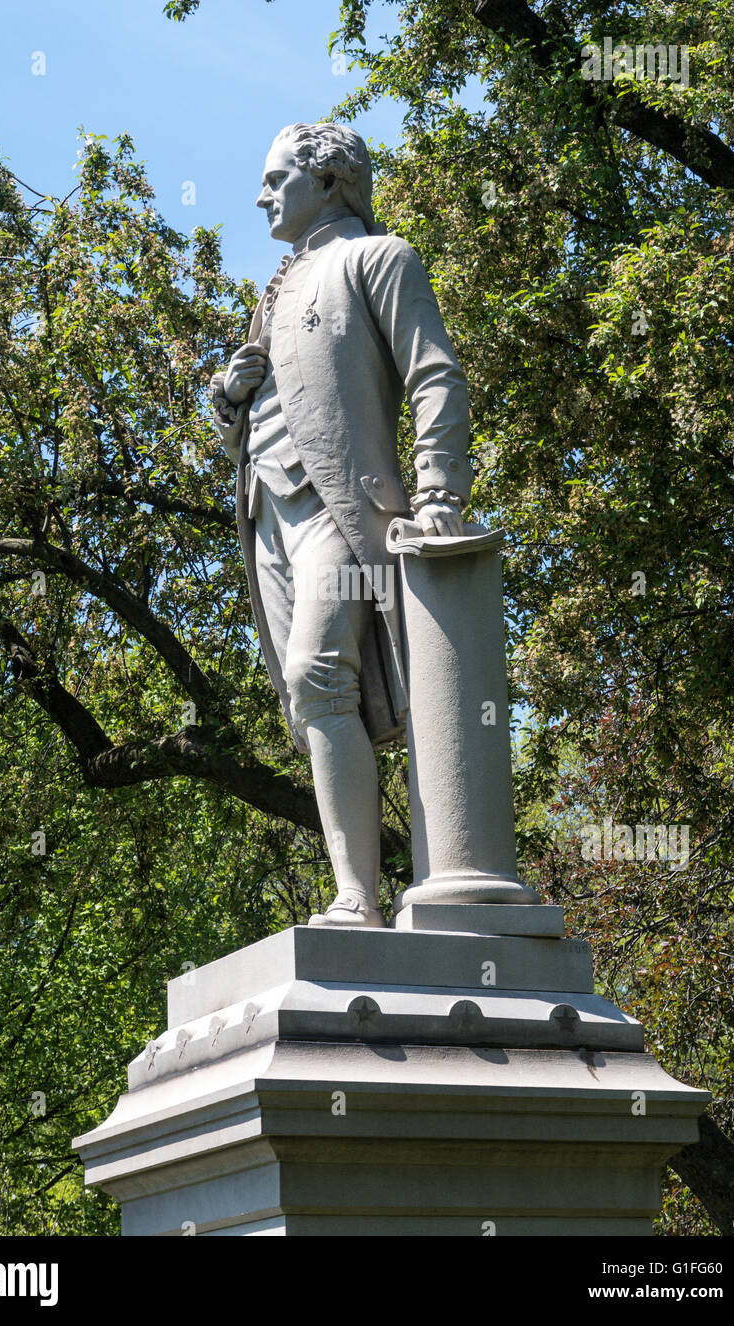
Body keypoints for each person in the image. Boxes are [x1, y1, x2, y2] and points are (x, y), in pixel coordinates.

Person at [211, 122, 472, 927]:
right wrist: (228, 399)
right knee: (312, 701)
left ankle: (357, 899)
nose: (261, 196)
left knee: (317, 674)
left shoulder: (379, 257)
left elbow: (436, 377)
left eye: (275, 178)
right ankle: (353, 889)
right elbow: (261, 421)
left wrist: (437, 495)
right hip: (270, 515)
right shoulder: (277, 285)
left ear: (327, 182)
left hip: (341, 508)